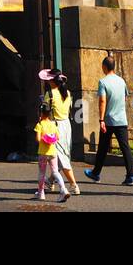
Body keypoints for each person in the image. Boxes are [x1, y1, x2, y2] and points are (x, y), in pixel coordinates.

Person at [83, 55, 133, 186]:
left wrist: (101, 119)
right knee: (125, 148)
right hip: (121, 119)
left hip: (109, 120)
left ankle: (96, 173)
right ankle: (131, 176)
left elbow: (102, 100)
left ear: (104, 67)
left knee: (102, 147)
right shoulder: (121, 81)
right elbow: (124, 98)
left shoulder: (103, 82)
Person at [39, 67, 80, 196]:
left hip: (54, 125)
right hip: (66, 124)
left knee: (61, 157)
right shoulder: (67, 93)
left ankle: (73, 185)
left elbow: (45, 112)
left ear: (51, 81)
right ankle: (50, 181)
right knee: (61, 155)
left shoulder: (49, 94)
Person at [33, 102, 70, 202]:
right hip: (53, 152)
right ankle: (63, 189)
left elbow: (38, 138)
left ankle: (41, 193)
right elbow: (57, 137)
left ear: (40, 113)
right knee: (55, 172)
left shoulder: (39, 124)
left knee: (41, 173)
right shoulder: (53, 124)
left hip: (43, 153)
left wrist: (44, 138)